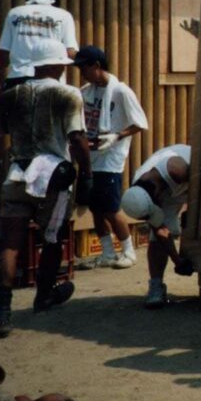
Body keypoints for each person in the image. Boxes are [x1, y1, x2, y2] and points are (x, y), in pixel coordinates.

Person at [0, 40, 92, 338]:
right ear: (55, 65)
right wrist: (86, 174)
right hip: (52, 176)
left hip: (18, 173)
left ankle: (3, 311)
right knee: (53, 237)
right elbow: (77, 138)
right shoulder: (67, 94)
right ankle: (44, 295)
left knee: (10, 243)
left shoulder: (11, 95)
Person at [73, 46, 149, 270]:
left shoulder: (121, 92)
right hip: (91, 155)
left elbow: (140, 123)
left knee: (110, 207)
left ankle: (128, 251)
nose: (82, 73)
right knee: (95, 207)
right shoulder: (87, 91)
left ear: (97, 66)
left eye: (84, 68)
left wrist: (117, 136)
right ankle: (107, 252)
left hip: (111, 157)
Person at [119, 144, 193, 308]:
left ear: (155, 194)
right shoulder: (139, 192)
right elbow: (159, 229)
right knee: (156, 238)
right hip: (167, 192)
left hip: (191, 180)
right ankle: (156, 286)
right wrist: (178, 261)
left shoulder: (177, 168)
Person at [0, 0, 78, 90]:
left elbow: (3, 53)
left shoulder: (14, 13)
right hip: (51, 79)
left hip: (18, 78)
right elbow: (70, 52)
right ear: (55, 5)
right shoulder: (64, 15)